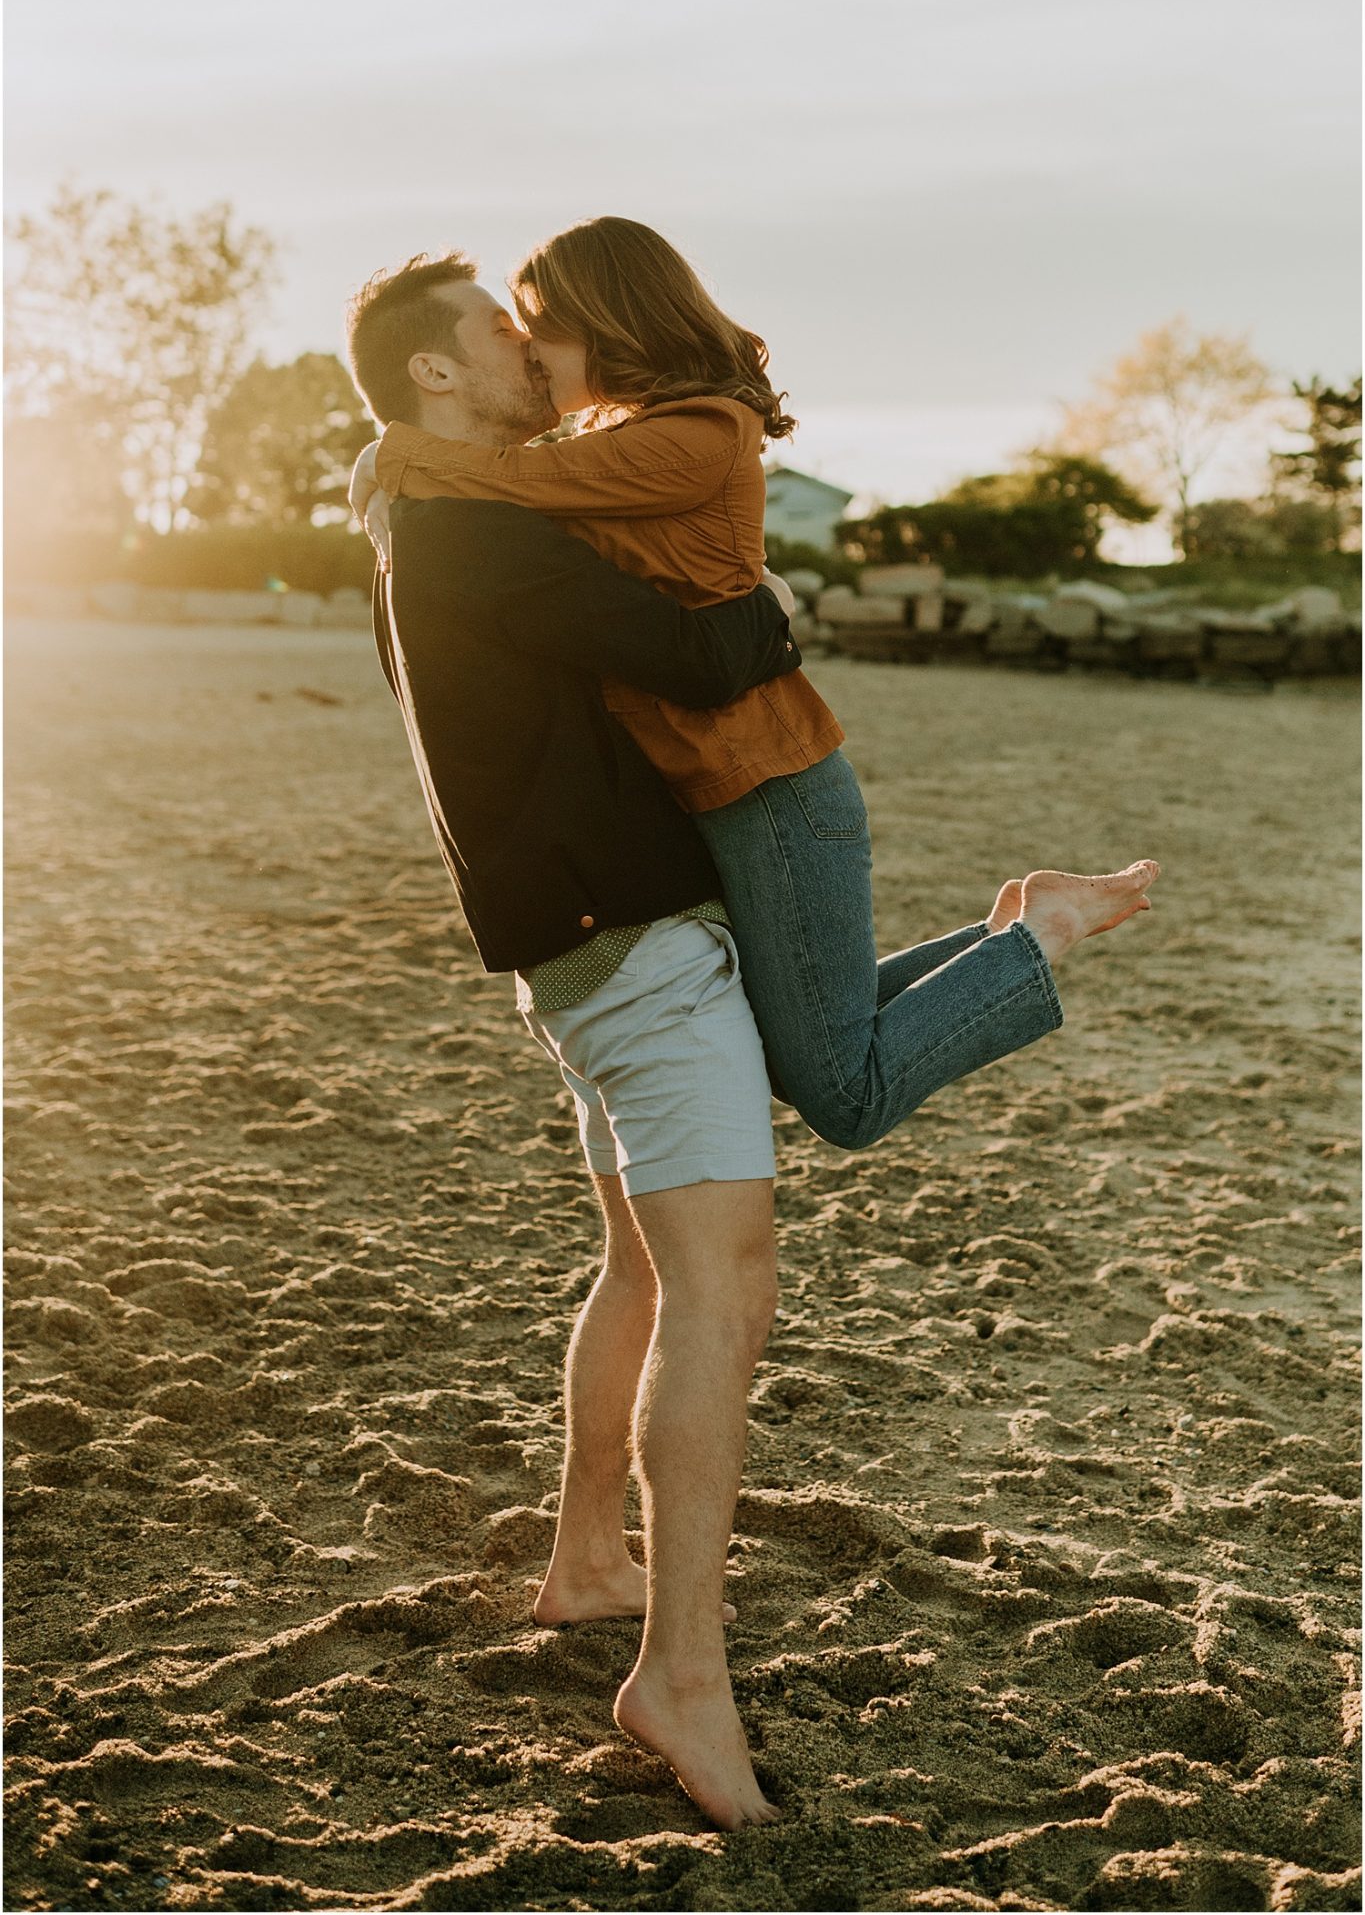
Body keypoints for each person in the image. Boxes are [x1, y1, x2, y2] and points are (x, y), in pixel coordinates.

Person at [352, 215, 1159, 1154]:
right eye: (508, 329)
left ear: (608, 325)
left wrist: (390, 461)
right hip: (720, 785)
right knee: (808, 1031)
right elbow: (537, 514)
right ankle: (1005, 935)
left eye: (540, 327)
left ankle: (1040, 935)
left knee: (840, 1093)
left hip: (770, 783)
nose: (529, 349)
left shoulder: (692, 431)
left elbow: (527, 489)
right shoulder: (620, 444)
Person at [345, 252, 794, 1828]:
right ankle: (678, 1673)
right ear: (436, 379)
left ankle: (587, 1559)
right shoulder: (470, 528)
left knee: (643, 1263)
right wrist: (751, 577)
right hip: (634, 941)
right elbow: (716, 647)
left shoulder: (413, 515)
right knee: (726, 1287)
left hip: (574, 949)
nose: (527, 348)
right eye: (496, 333)